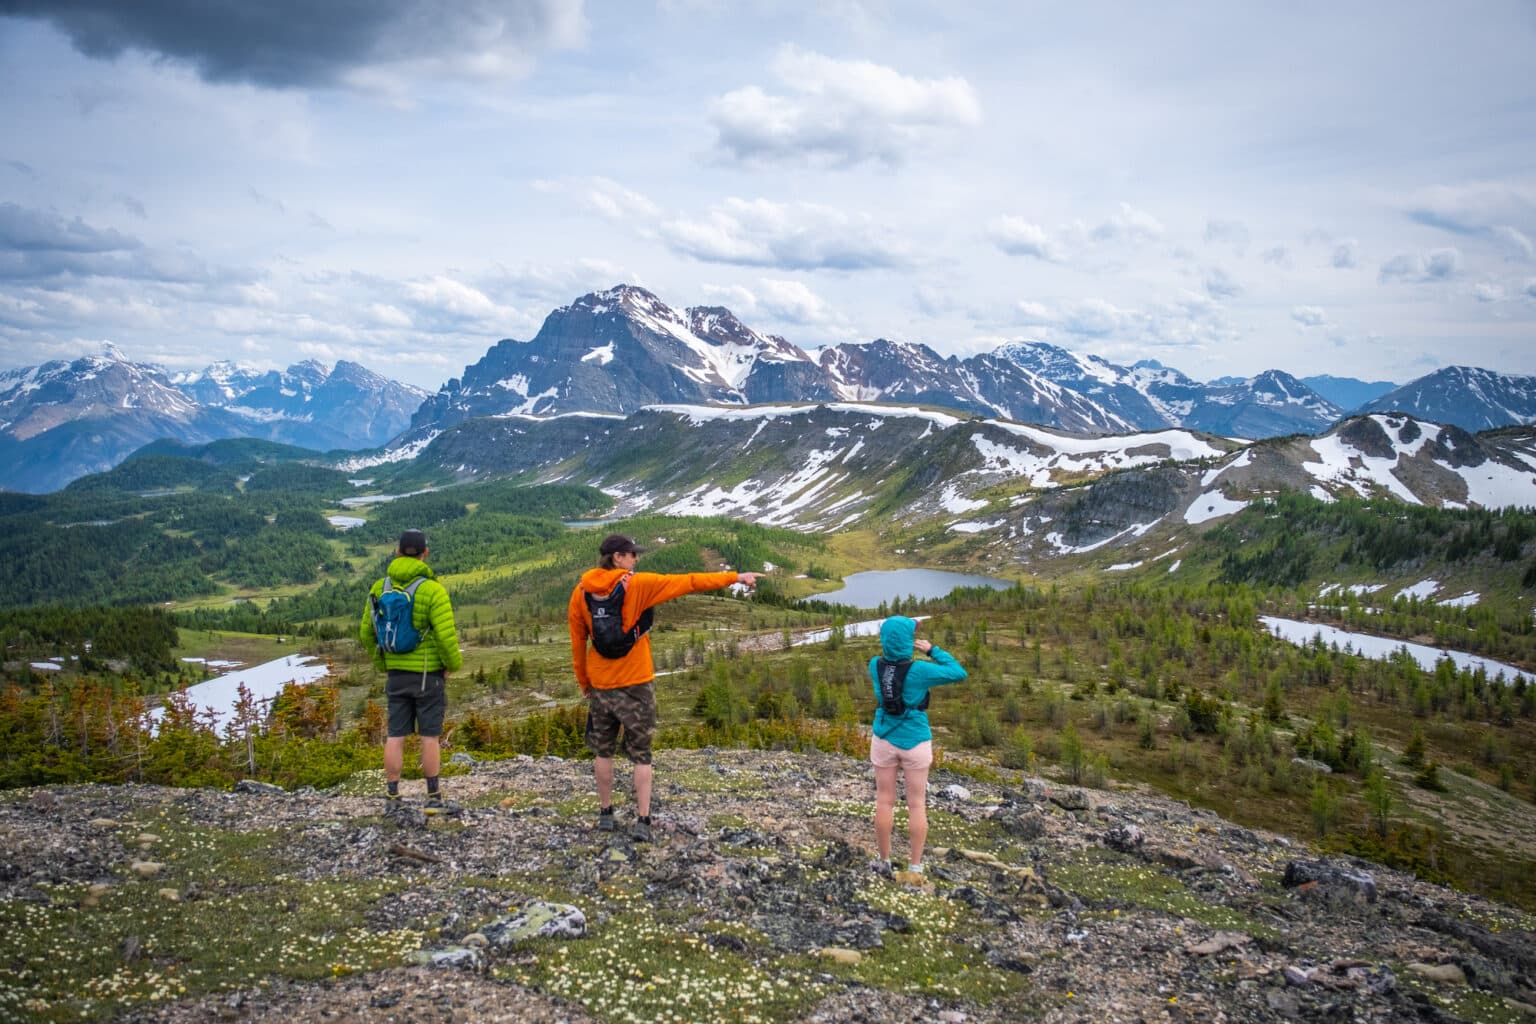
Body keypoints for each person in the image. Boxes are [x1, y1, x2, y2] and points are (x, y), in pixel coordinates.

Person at [569, 533, 760, 842]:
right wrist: (735, 577)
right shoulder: (639, 585)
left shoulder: (581, 593)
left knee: (603, 752)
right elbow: (690, 582)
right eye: (631, 554)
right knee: (641, 754)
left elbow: (578, 642)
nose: (635, 559)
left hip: (602, 684)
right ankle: (643, 819)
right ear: (617, 557)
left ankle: (606, 814)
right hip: (636, 683)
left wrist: (585, 682)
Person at [360, 528, 463, 814]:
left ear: (397, 552)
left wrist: (383, 662)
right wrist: (451, 666)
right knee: (429, 736)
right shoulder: (432, 589)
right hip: (428, 676)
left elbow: (366, 632)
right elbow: (445, 636)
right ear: (424, 553)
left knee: (396, 735)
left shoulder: (380, 587)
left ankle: (392, 798)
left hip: (395, 675)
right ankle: (433, 799)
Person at [868, 615, 967, 876]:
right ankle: (914, 866)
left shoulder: (874, 665)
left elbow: (892, 659)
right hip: (915, 741)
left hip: (883, 738)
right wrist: (932, 650)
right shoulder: (920, 671)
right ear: (908, 642)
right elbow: (958, 672)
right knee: (916, 804)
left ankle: (885, 860)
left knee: (885, 801)